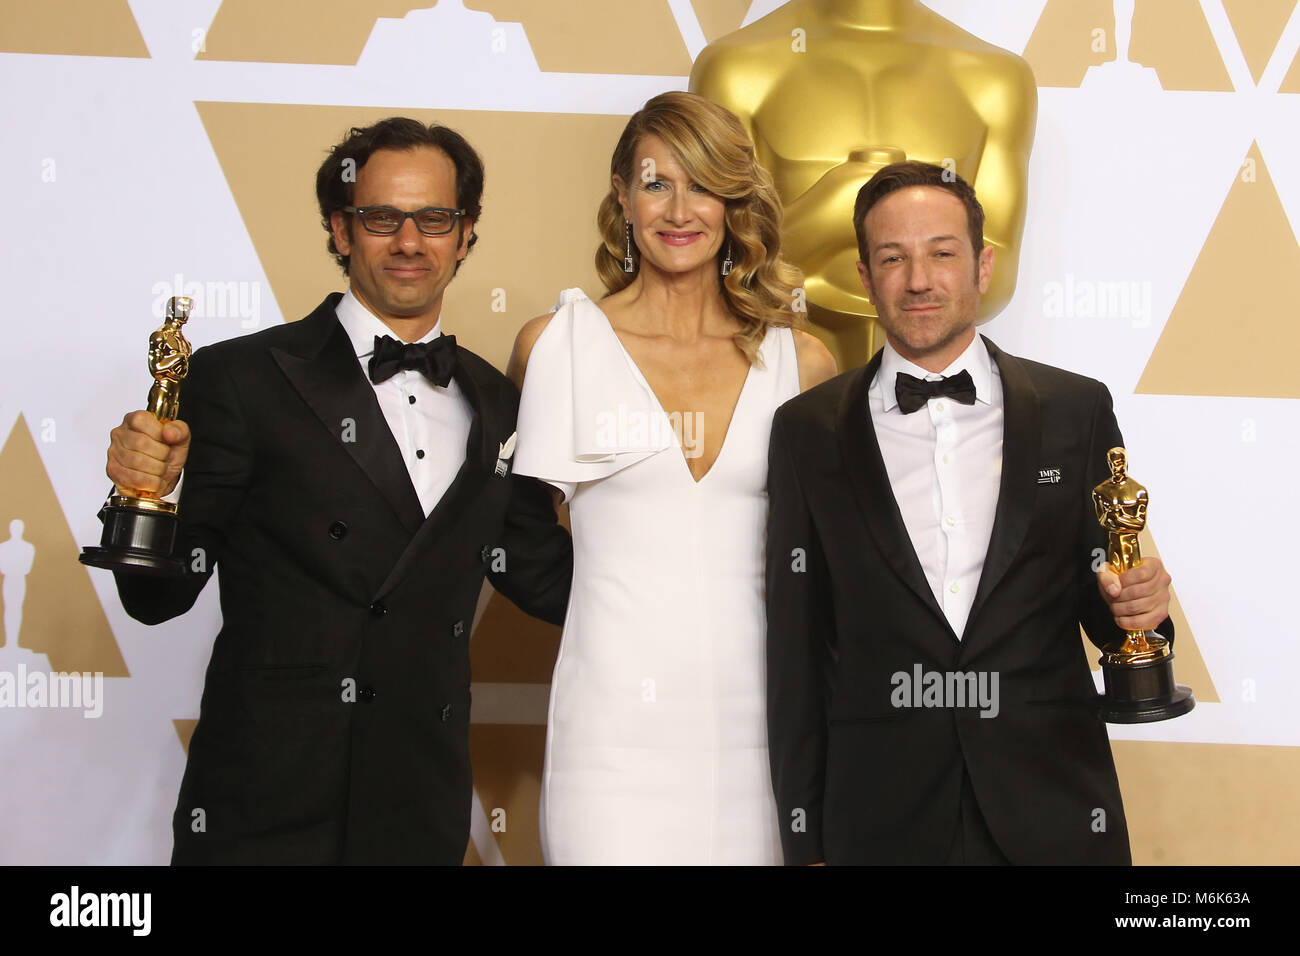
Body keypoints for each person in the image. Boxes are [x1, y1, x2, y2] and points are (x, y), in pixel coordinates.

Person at [102, 117, 573, 865]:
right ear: (341, 228)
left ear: (466, 231)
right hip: (266, 794)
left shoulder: (501, 403)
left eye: (435, 218)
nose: (409, 241)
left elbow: (541, 576)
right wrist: (142, 499)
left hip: (420, 798)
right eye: (382, 217)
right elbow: (157, 598)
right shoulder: (242, 379)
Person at [765, 161, 1173, 865]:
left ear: (982, 265)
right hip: (880, 818)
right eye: (893, 258)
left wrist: (1141, 611)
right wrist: (805, 841)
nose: (918, 280)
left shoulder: (1077, 409)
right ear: (865, 276)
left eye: (942, 253)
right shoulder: (807, 430)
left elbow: (1106, 600)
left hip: (1052, 807)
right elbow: (798, 652)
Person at [507, 91, 837, 864]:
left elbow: (832, 563)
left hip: (760, 733)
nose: (678, 208)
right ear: (622, 196)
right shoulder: (556, 347)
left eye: (704, 183)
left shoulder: (804, 361)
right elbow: (507, 537)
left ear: (734, 202)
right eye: (656, 182)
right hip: (610, 738)